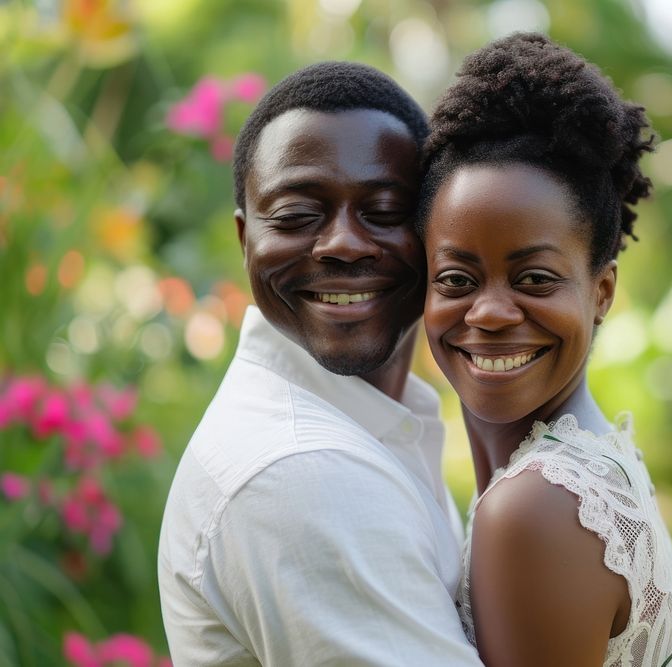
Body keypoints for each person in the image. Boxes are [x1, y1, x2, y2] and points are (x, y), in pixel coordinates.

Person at [157, 62, 482, 666]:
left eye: (384, 211)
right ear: (244, 237)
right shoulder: (303, 470)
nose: (342, 243)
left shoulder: (376, 423)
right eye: (297, 216)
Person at [416, 33, 672, 666]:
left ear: (602, 291)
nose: (488, 311)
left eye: (535, 278)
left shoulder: (538, 507)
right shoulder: (595, 464)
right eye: (456, 279)